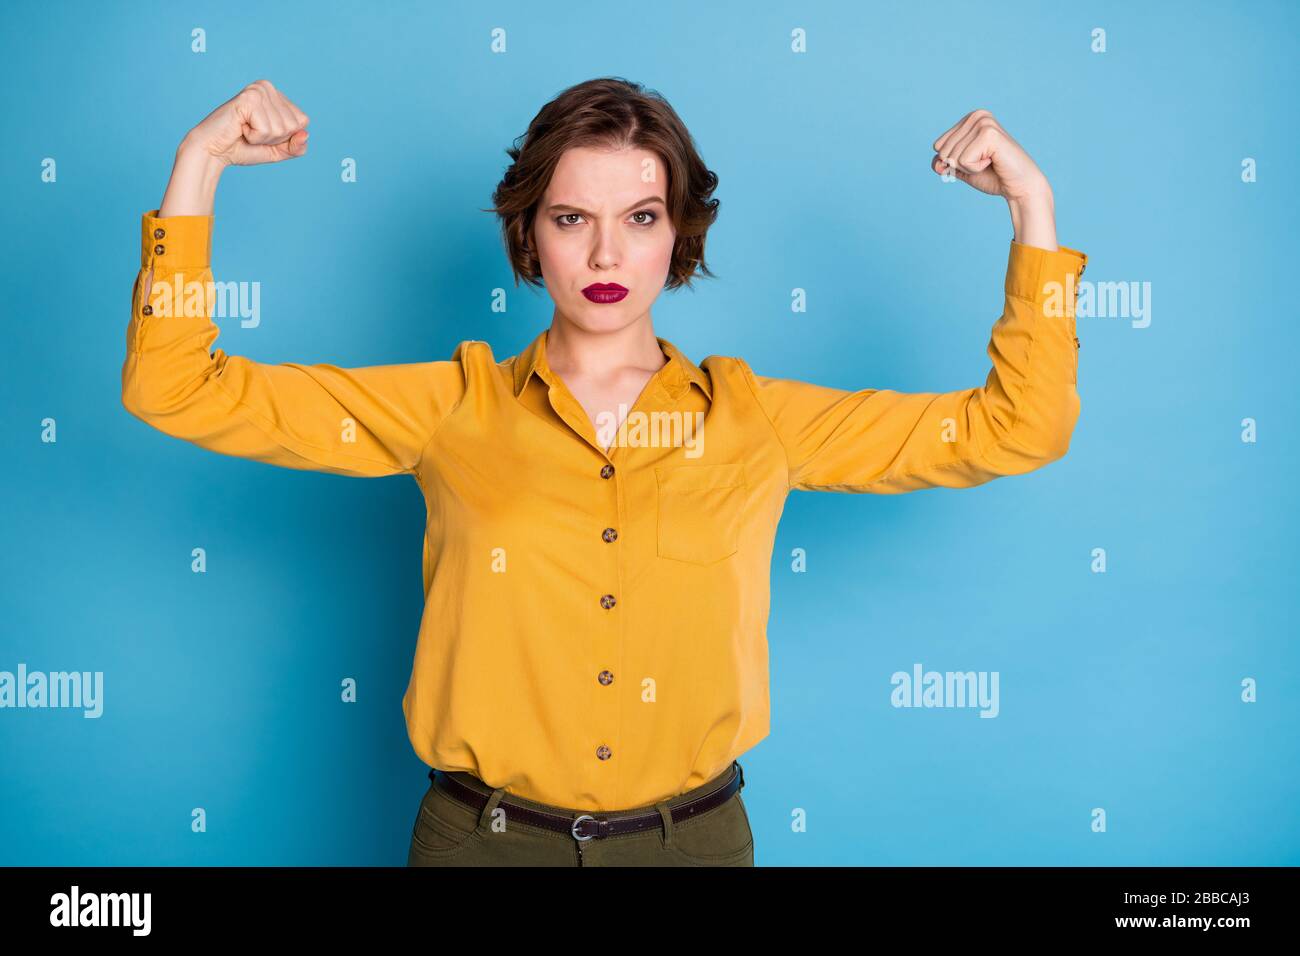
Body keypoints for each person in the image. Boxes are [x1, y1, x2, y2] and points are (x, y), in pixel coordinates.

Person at [122, 76, 1087, 867]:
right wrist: (198, 165)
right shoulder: (451, 408)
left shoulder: (757, 423)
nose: (607, 252)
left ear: (680, 234)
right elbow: (177, 388)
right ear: (529, 235)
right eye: (572, 217)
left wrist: (1032, 212)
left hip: (693, 845)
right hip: (480, 846)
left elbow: (1016, 427)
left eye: (641, 216)